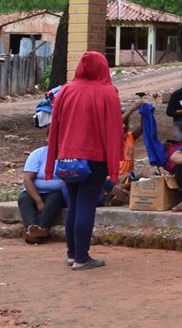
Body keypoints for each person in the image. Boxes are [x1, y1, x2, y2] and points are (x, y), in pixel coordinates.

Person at [45, 51, 125, 270]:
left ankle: (72, 254)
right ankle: (82, 257)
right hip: (94, 158)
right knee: (86, 206)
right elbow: (114, 131)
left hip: (67, 158)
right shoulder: (108, 93)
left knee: (73, 205)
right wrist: (115, 161)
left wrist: (56, 156)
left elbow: (55, 128)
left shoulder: (65, 91)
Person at [18, 143, 64, 244]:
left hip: (56, 191)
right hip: (36, 190)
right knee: (24, 198)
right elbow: (27, 179)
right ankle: (33, 228)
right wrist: (38, 201)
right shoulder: (38, 154)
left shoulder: (67, 154)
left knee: (55, 199)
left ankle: (38, 230)